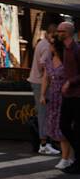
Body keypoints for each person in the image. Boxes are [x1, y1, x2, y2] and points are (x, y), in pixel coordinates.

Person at [41, 34, 74, 171]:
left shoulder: (66, 59)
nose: (50, 47)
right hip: (54, 96)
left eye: (52, 45)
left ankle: (66, 158)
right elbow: (45, 78)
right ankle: (69, 156)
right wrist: (42, 94)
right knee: (56, 126)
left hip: (66, 96)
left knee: (64, 127)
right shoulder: (49, 59)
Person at [30, 24, 60, 155]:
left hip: (36, 81)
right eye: (54, 36)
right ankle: (44, 144)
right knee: (44, 113)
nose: (55, 39)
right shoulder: (47, 47)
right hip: (40, 82)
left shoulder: (41, 43)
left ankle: (46, 142)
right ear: (50, 34)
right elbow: (44, 66)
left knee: (44, 113)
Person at [56, 19, 80, 175]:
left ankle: (77, 163)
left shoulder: (77, 49)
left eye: (61, 31)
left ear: (68, 33)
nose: (58, 34)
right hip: (68, 95)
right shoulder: (64, 49)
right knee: (63, 125)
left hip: (77, 95)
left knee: (77, 129)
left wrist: (69, 82)